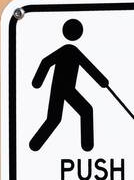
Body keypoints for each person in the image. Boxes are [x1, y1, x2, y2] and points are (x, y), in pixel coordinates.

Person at [29, 19, 108, 152]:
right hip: (65, 89)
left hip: (60, 89)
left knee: (54, 119)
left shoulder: (69, 50)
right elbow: (46, 62)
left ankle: (35, 145)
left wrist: (103, 81)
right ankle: (87, 146)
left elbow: (88, 68)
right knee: (85, 111)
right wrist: (37, 82)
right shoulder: (70, 50)